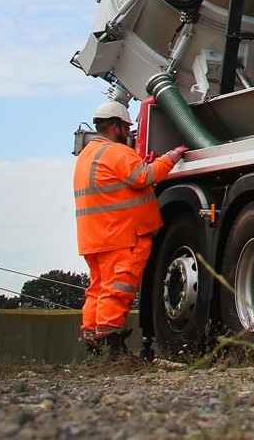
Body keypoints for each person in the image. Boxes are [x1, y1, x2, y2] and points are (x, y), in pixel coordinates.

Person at [73, 100, 188, 355]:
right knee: (117, 289)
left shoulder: (87, 156)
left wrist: (141, 163)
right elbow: (144, 177)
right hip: (121, 236)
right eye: (126, 128)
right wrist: (171, 157)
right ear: (115, 127)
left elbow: (122, 182)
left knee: (97, 289)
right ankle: (111, 342)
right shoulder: (116, 152)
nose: (128, 133)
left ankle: (94, 340)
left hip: (95, 238)